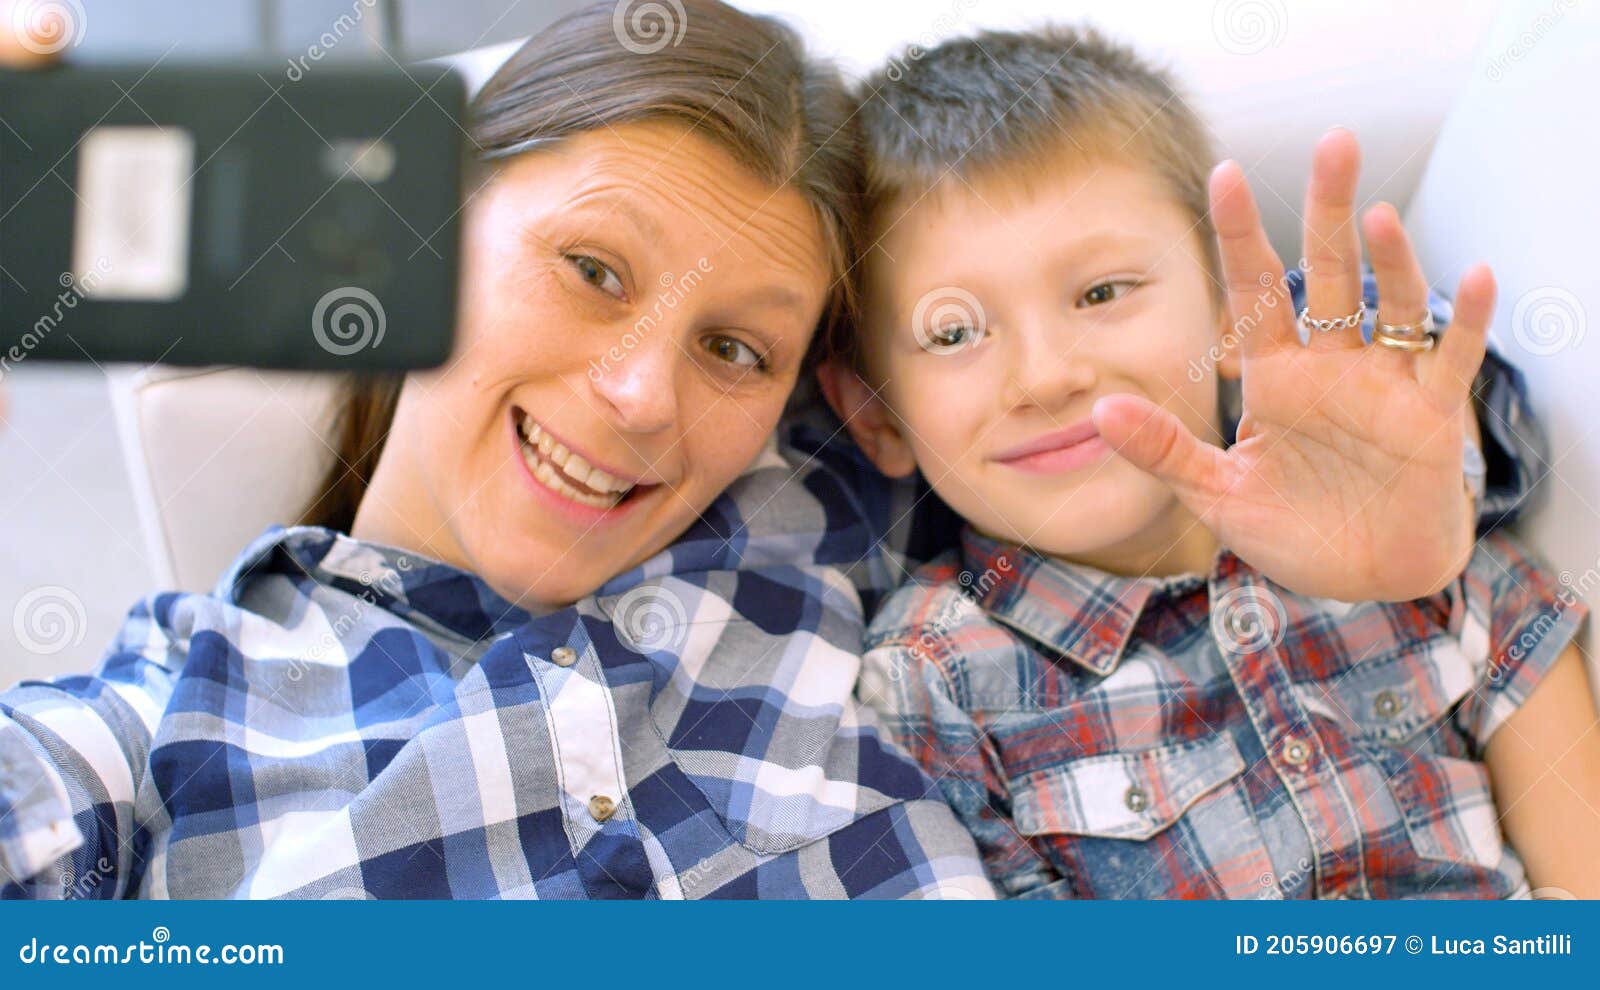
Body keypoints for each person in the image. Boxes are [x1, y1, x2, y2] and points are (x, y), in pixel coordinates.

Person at [0, 1, 1543, 899]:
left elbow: (1096, 372)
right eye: (591, 269)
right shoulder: (167, 721)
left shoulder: (817, 503)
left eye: (736, 347)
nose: (637, 400)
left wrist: (1406, 476)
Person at [828, 25, 1600, 899]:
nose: (1045, 376)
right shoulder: (929, 683)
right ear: (871, 411)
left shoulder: (1439, 554)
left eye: (1103, 292)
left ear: (1237, 313)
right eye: (953, 332)